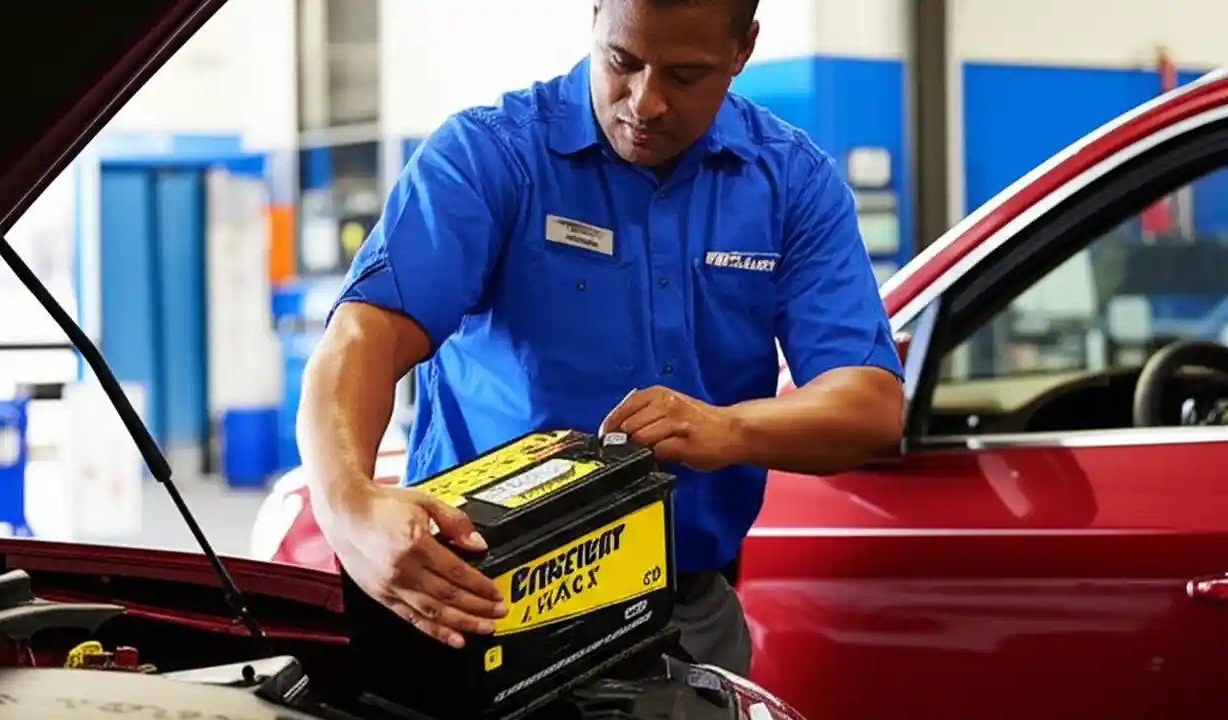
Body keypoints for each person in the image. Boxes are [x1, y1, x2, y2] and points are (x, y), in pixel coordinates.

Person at [296, 0, 904, 676]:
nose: (645, 103)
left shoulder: (791, 183)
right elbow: (364, 334)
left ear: (742, 51)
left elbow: (870, 405)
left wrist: (727, 429)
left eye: (684, 75)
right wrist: (347, 503)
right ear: (594, 17)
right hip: (483, 606)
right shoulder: (491, 156)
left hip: (686, 617)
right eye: (623, 62)